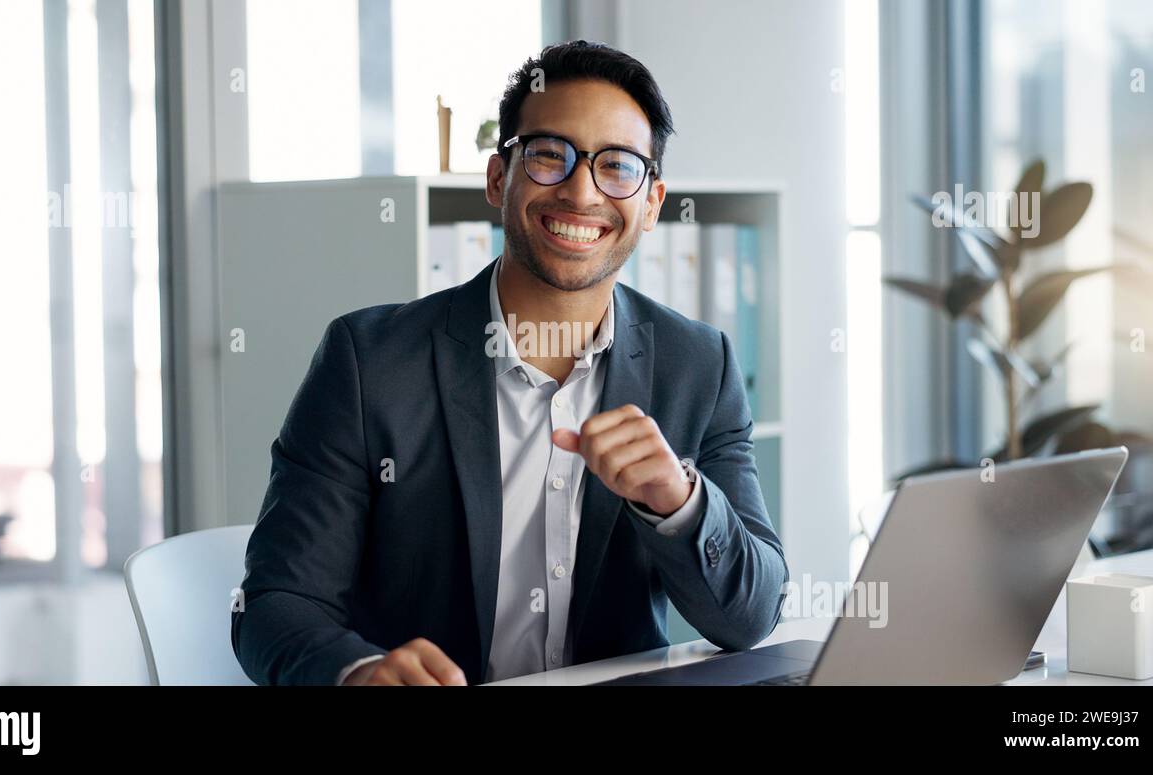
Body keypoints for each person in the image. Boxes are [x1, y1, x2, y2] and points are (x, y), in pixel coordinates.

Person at [232, 40, 788, 686]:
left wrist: (681, 503)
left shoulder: (700, 365)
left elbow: (752, 615)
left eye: (618, 167)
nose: (581, 192)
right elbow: (274, 603)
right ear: (499, 177)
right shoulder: (368, 362)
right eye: (550, 156)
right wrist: (358, 671)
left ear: (653, 203)